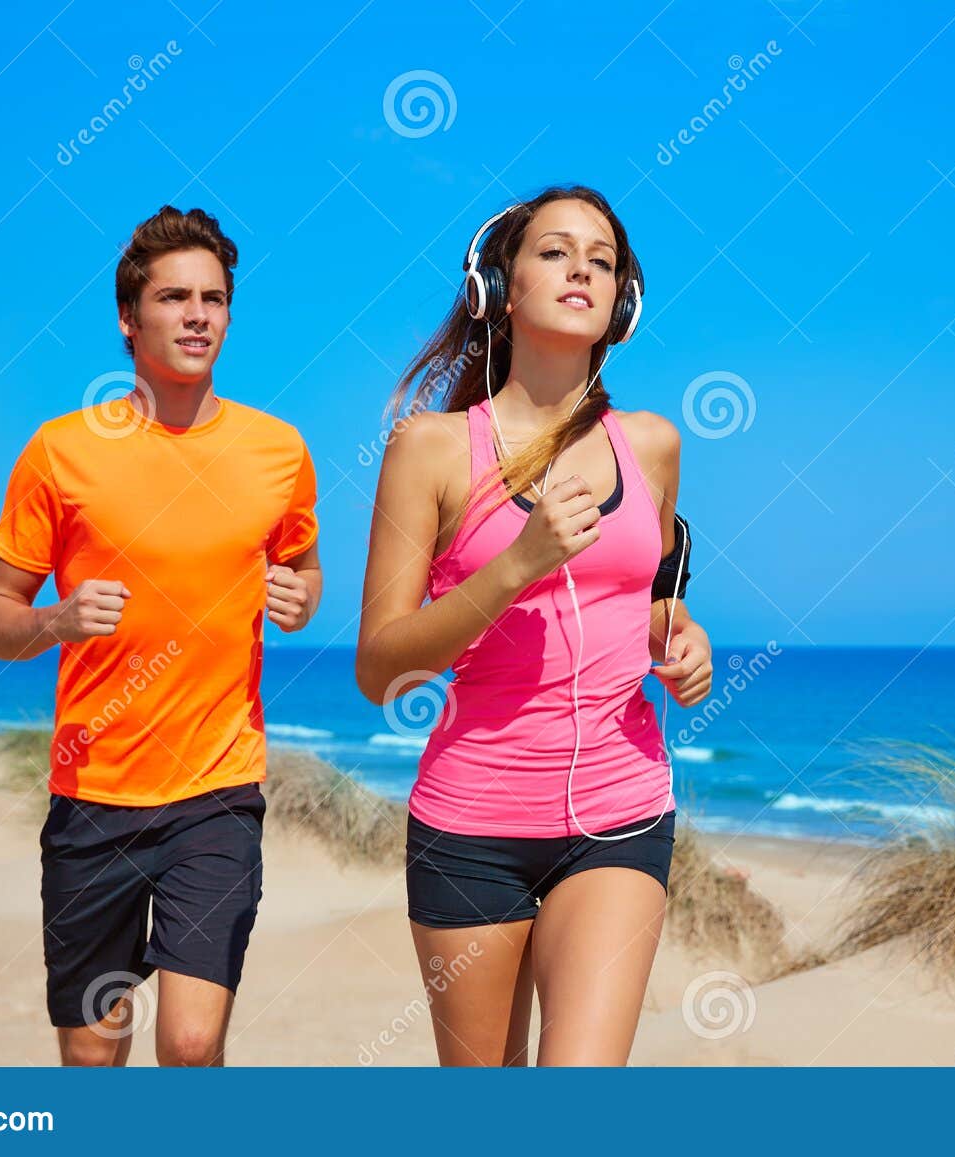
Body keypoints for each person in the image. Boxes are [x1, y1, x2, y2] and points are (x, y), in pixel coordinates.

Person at [356, 185, 713, 1066]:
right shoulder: (429, 449)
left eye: (602, 257)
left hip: (621, 815)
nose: (582, 266)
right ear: (499, 289)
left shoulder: (655, 445)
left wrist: (681, 634)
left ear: (621, 304)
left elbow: (645, 592)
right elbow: (381, 668)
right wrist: (519, 562)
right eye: (555, 250)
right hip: (471, 825)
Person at [0, 205, 323, 1066]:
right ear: (130, 319)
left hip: (218, 790)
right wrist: (56, 618)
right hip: (94, 795)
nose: (198, 314)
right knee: (95, 1052)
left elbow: (306, 573)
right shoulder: (61, 452)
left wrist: (300, 598)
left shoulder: (278, 451)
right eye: (174, 297)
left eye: (214, 298)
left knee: (194, 1042)